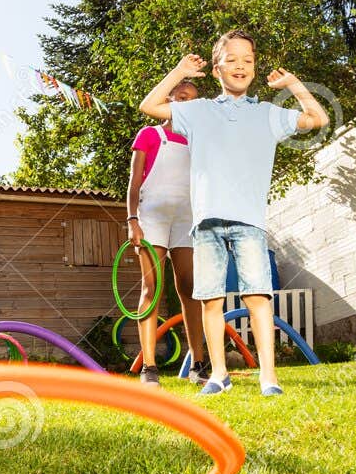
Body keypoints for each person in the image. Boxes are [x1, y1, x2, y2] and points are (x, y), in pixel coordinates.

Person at [137, 30, 327, 396]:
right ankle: (218, 375)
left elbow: (317, 118)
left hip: (249, 221)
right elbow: (150, 106)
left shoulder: (267, 114)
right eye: (232, 60)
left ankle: (269, 377)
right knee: (210, 300)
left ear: (254, 67)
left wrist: (293, 84)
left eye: (248, 60)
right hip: (205, 223)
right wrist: (179, 73)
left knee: (258, 297)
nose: (240, 66)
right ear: (216, 69)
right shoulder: (198, 111)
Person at [126, 79, 205, 386]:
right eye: (181, 96)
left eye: (192, 100)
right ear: (169, 99)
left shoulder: (198, 141)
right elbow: (134, 184)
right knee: (152, 288)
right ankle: (149, 367)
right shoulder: (149, 134)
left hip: (186, 218)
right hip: (152, 218)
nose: (187, 103)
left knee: (190, 288)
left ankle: (198, 364)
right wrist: (132, 219)